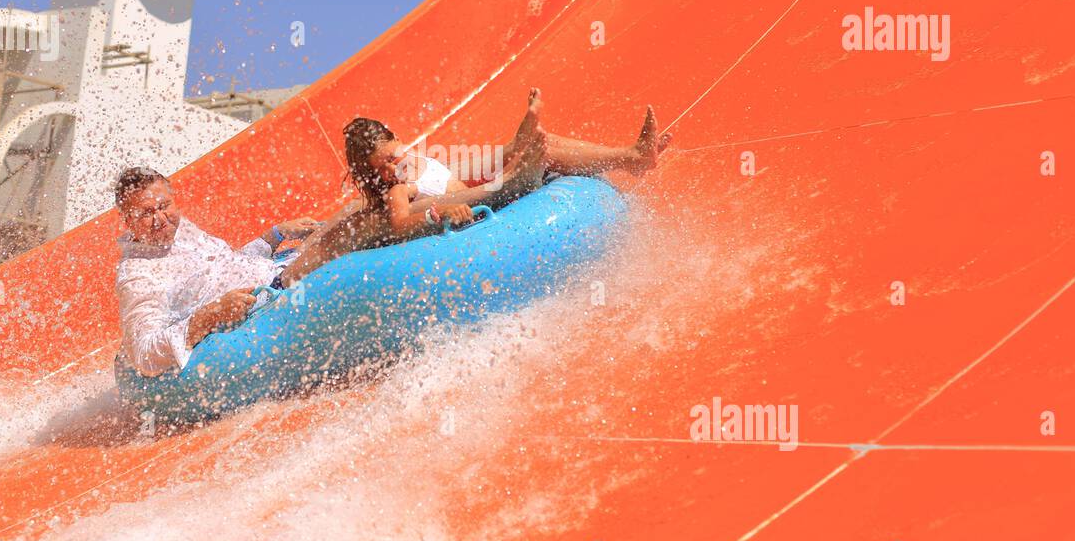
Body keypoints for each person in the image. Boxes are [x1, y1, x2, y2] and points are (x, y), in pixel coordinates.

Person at [281, 87, 671, 281]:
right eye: (379, 168)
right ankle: (524, 177)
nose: (390, 169)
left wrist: (513, 149)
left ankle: (632, 157)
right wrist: (438, 214)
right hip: (470, 204)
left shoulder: (416, 161)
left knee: (544, 145)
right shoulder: (396, 187)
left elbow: (461, 170)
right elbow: (399, 221)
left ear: (398, 139)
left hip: (471, 187)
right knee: (520, 165)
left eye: (391, 157)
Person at [114, 167, 318, 377]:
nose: (161, 218)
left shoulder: (179, 230)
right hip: (266, 297)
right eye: (147, 213)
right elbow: (144, 354)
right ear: (128, 221)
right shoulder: (137, 275)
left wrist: (275, 234)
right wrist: (211, 314)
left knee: (336, 224)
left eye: (164, 205)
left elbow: (230, 264)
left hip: (277, 270)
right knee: (342, 232)